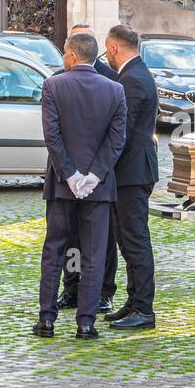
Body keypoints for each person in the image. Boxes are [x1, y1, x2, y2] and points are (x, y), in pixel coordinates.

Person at [35, 32, 126, 340]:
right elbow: (117, 141)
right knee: (94, 254)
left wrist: (70, 175)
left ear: (72, 56)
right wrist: (94, 175)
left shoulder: (54, 85)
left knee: (54, 251)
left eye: (64, 53)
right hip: (98, 190)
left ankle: (46, 320)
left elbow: (52, 136)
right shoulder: (115, 90)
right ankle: (85, 323)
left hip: (62, 187)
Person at [101, 24, 158, 330]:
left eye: (106, 50)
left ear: (113, 48)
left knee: (135, 240)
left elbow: (120, 133)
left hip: (133, 173)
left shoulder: (132, 79)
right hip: (131, 171)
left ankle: (144, 309)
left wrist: (100, 166)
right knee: (126, 238)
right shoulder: (135, 74)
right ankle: (134, 300)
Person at [58, 22, 118, 311]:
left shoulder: (112, 80)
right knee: (71, 237)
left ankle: (103, 291)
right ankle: (71, 286)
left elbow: (117, 133)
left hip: (101, 175)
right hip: (67, 175)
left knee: (103, 241)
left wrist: (96, 173)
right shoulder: (59, 79)